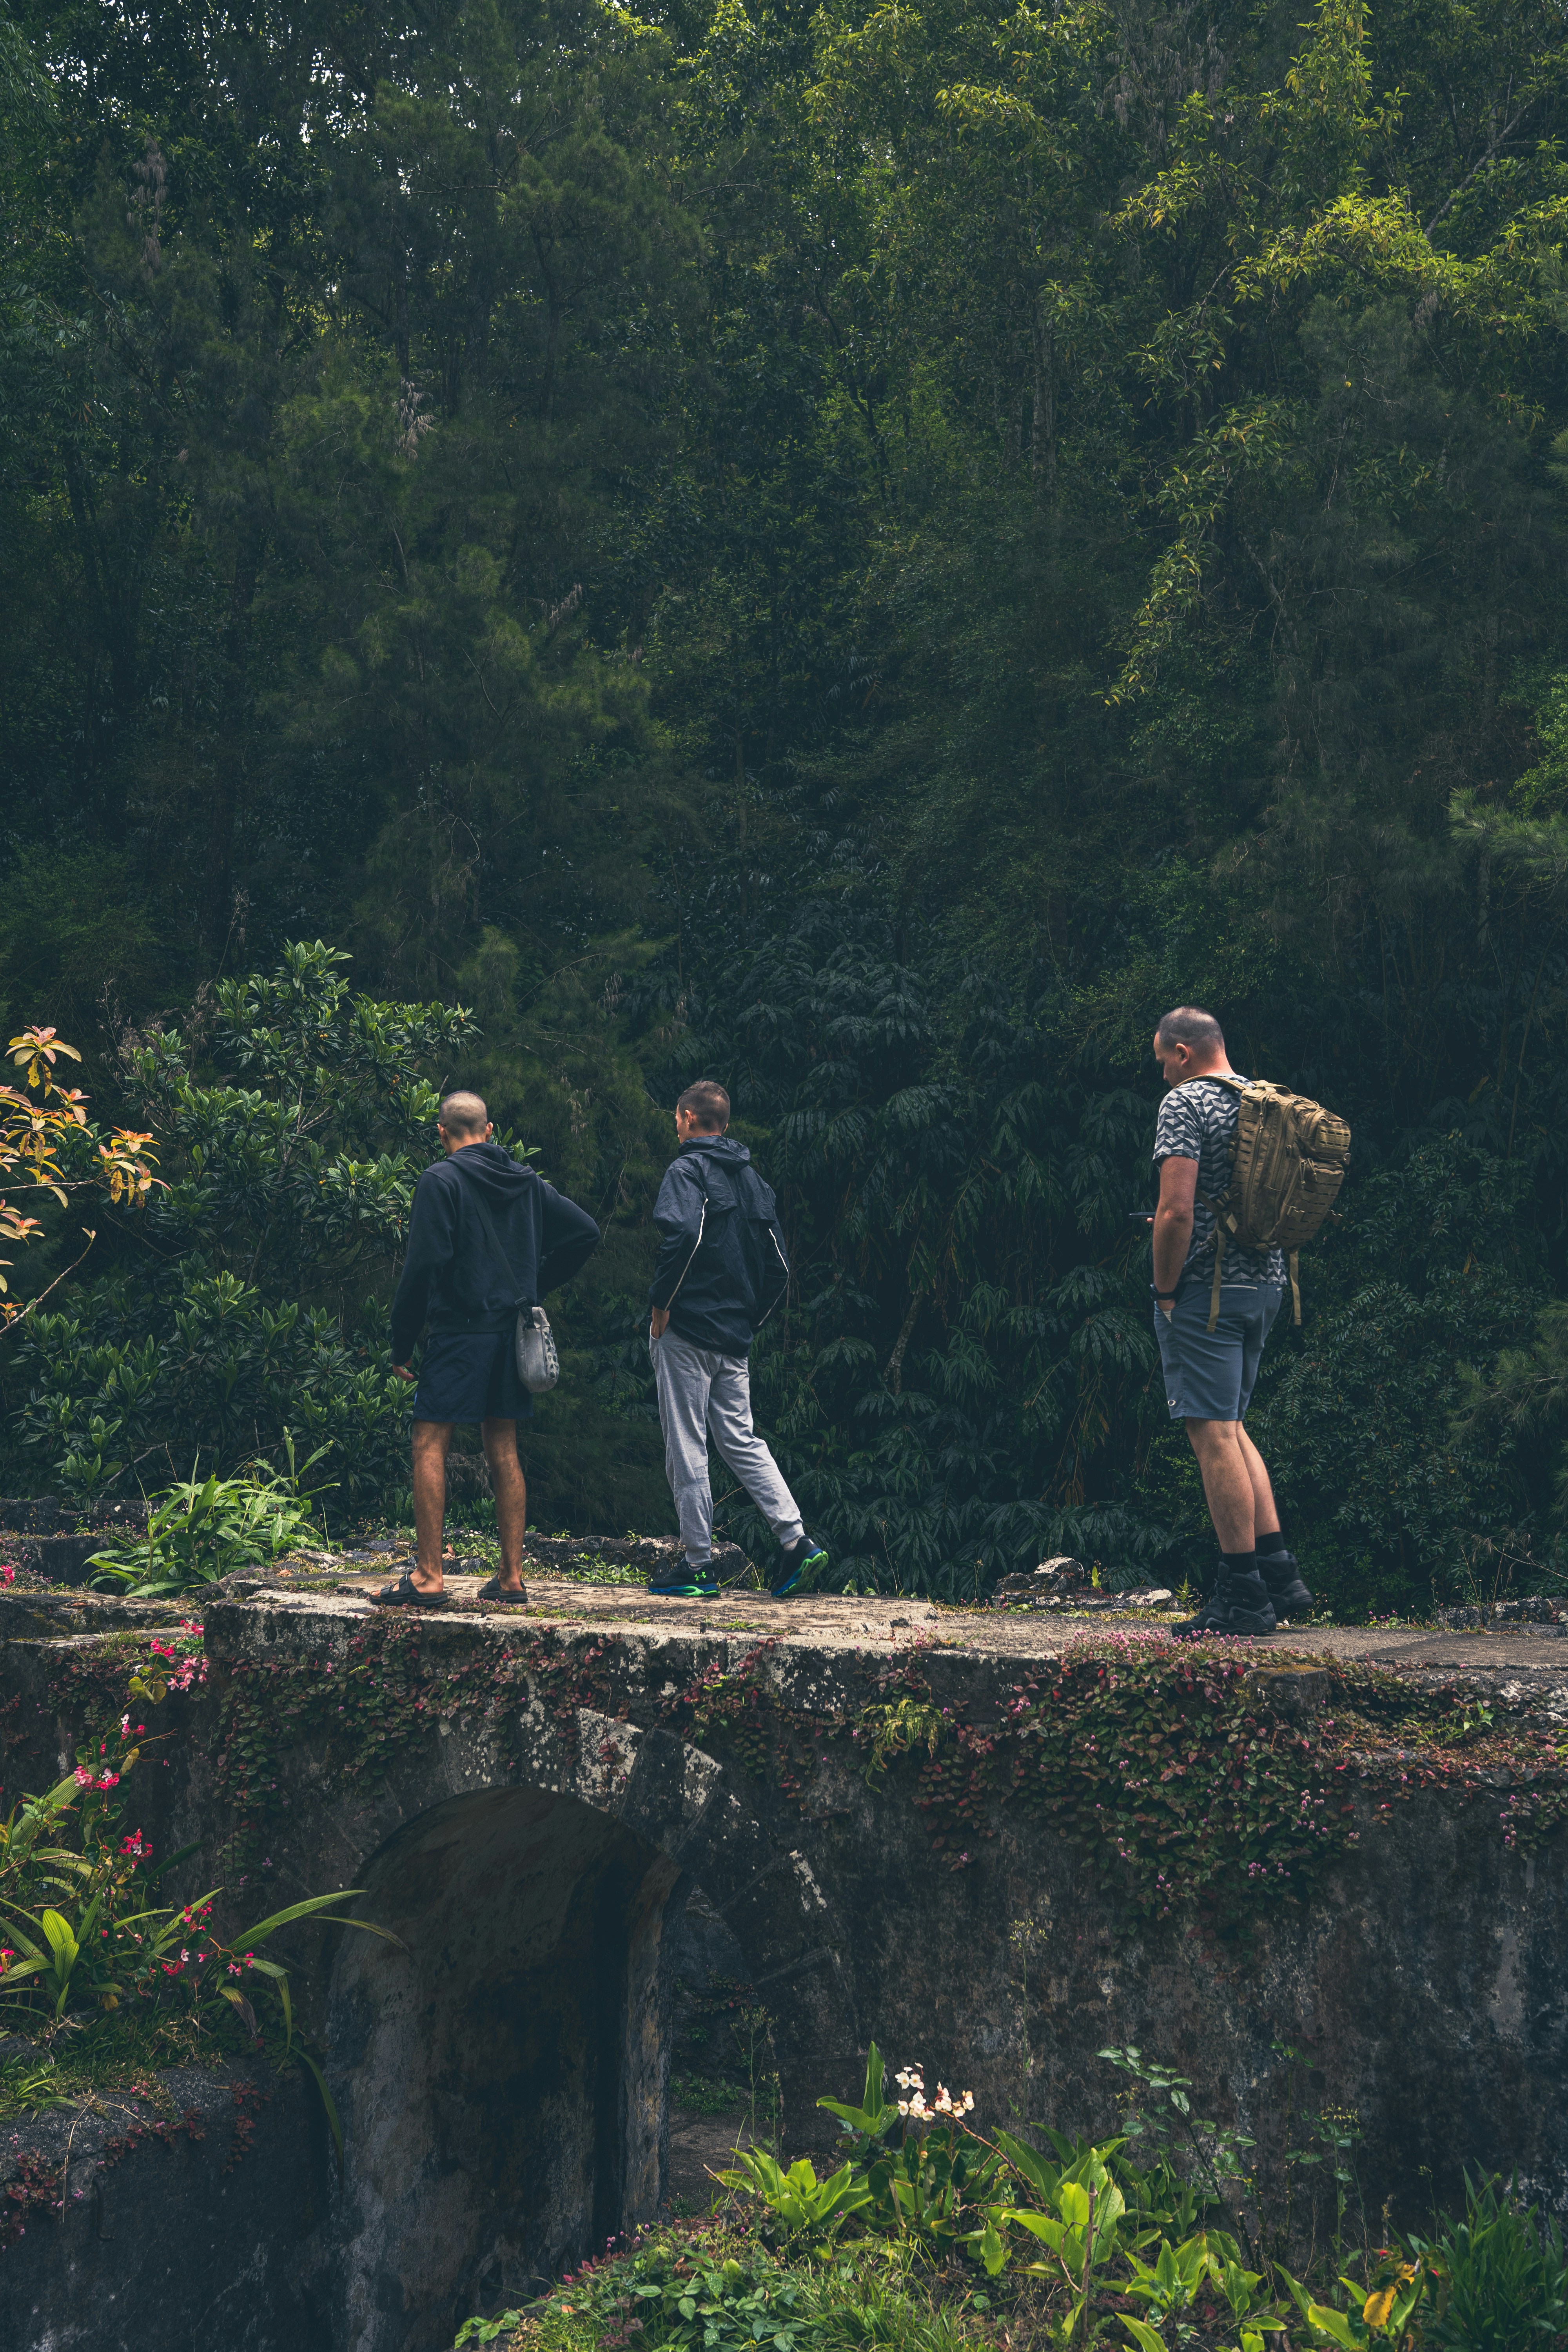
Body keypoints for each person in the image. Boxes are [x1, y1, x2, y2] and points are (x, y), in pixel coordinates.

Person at [376, 1091, 600, 1610]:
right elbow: (584, 1233)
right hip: (512, 1336)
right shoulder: (525, 1182)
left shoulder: (440, 1180)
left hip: (459, 1334)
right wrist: (534, 1286)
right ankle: (511, 1576)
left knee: (430, 1444)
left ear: (442, 1133)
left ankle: (430, 1577)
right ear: (490, 1129)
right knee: (504, 1448)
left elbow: (423, 1266)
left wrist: (402, 1341)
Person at [1150, 1007, 1315, 1637]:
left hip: (1207, 1292)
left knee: (1212, 1434)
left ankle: (1242, 1596)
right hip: (1268, 1285)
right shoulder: (1264, 1099)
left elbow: (1175, 1211)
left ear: (1184, 1052)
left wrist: (1167, 1290)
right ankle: (1280, 1577)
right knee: (1234, 1426)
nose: (1163, 1071)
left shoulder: (1186, 1103)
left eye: (1164, 1059)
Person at [646, 1080, 827, 1601]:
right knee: (741, 1440)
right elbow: (778, 1268)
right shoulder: (753, 1181)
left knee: (687, 1443)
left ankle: (698, 1565)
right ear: (723, 1123)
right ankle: (795, 1541)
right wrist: (751, 1323)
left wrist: (662, 1306)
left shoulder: (686, 1170)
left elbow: (683, 1236)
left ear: (686, 1118)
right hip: (733, 1336)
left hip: (687, 1330)